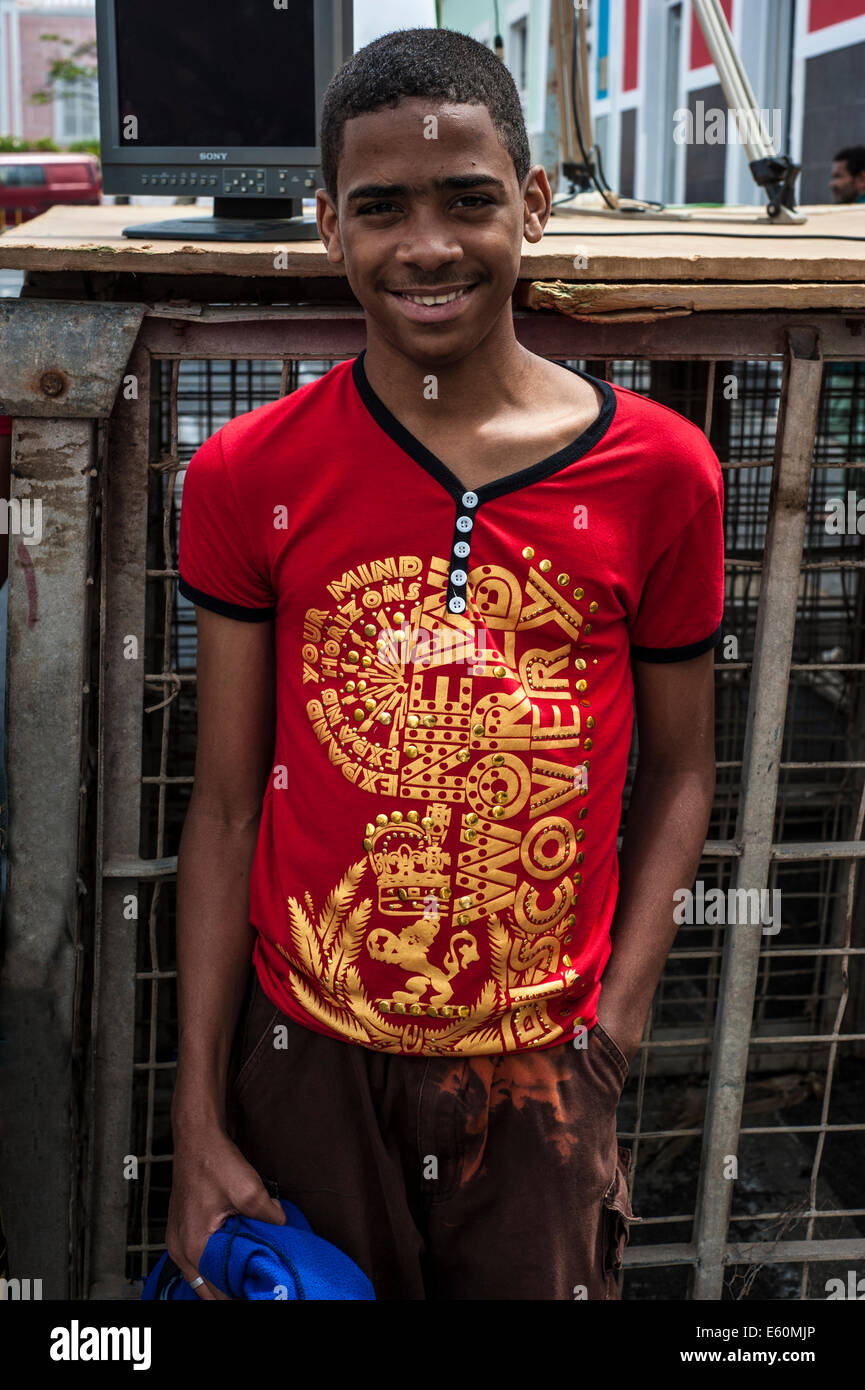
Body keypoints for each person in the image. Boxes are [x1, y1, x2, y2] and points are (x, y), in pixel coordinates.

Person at [166, 27, 724, 1302]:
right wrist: (197, 1116)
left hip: (540, 1079)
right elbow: (225, 801)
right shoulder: (248, 475)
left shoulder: (659, 472)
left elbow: (683, 774)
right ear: (327, 228)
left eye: (468, 199)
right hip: (305, 1059)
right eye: (380, 209)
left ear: (531, 204)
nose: (426, 245)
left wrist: (608, 1039)